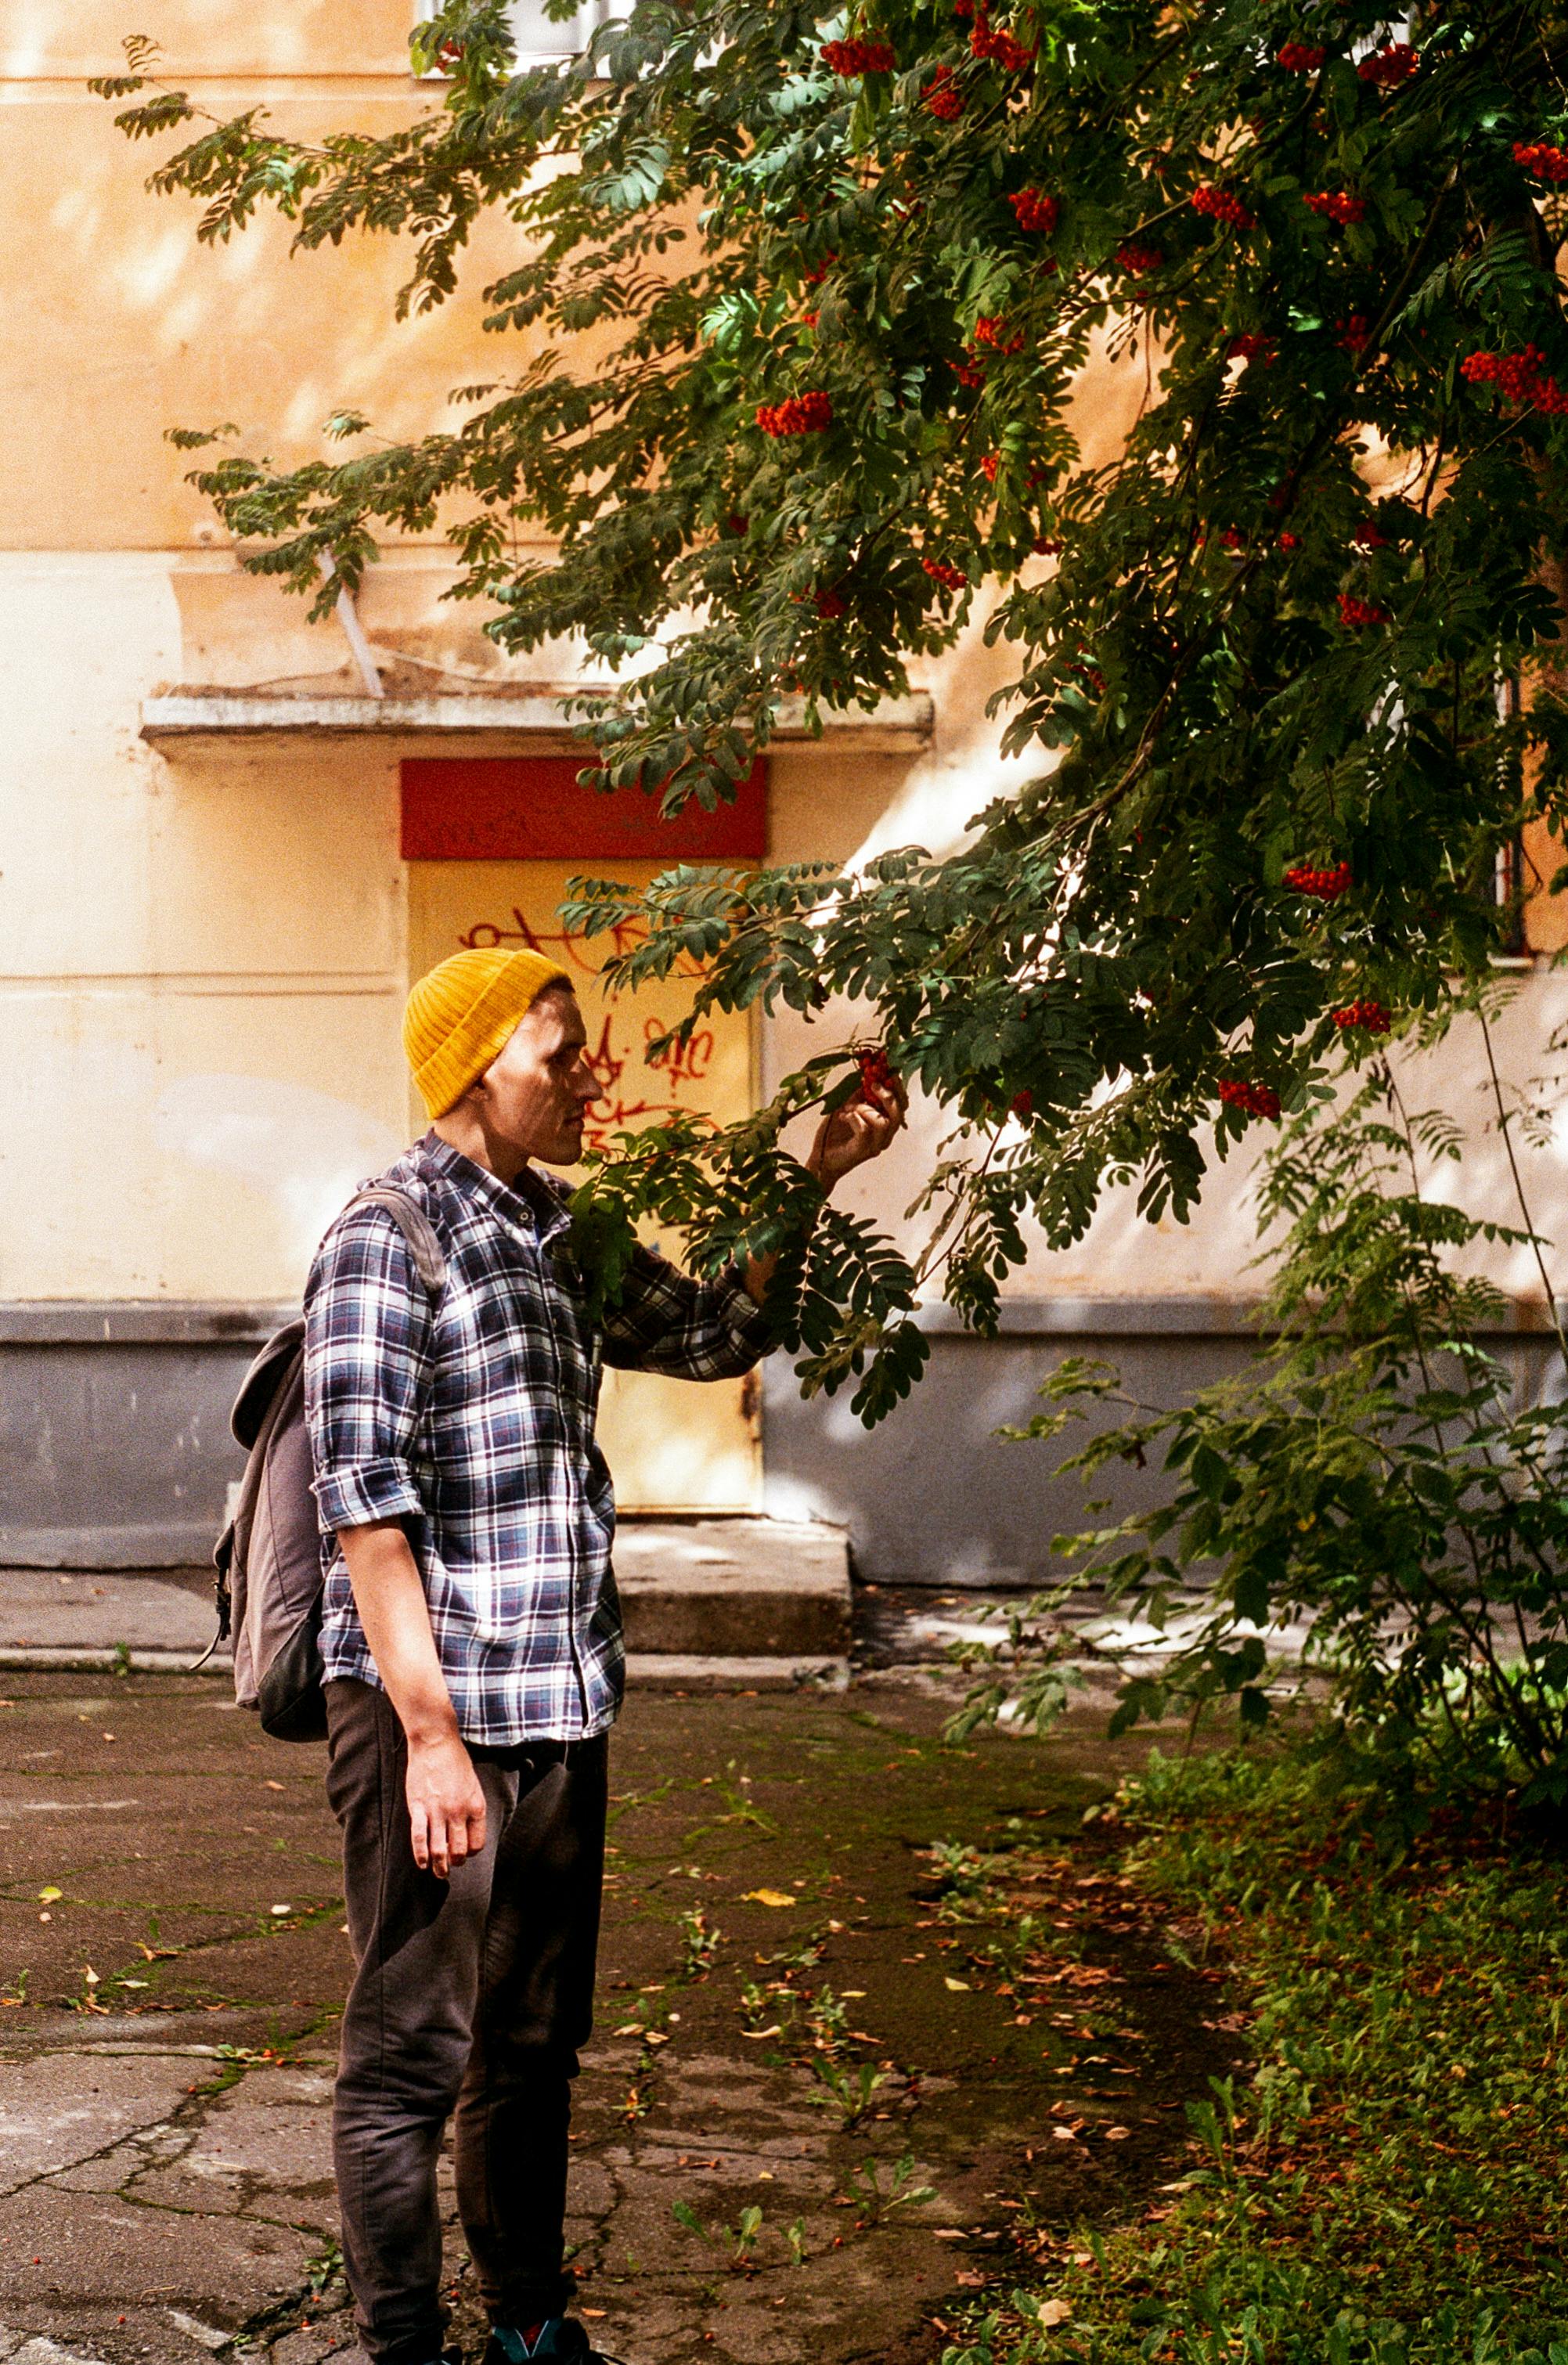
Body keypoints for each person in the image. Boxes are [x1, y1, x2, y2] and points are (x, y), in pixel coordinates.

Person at [303, 945, 904, 2365]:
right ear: (471, 1073)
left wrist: (810, 1177)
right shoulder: (386, 1237)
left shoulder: (565, 1233)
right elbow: (363, 1504)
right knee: (410, 2052)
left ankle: (527, 2323)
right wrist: (433, 1739)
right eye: (558, 1046)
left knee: (528, 2046)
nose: (590, 1072)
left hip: (563, 1699)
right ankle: (406, 2346)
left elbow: (715, 1329)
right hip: (429, 1716)